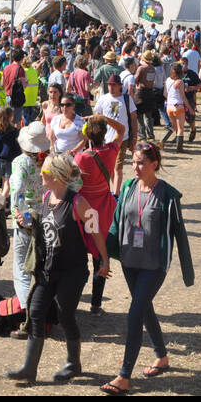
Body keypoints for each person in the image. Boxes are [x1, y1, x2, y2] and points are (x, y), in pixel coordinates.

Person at [5, 152, 110, 384]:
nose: (40, 171)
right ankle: (29, 369)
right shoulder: (45, 199)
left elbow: (96, 230)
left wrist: (104, 260)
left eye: (44, 171)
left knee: (65, 315)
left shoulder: (78, 202)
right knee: (35, 312)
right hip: (47, 269)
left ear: (57, 176)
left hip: (72, 271)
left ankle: (74, 364)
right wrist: (28, 221)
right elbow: (43, 227)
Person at [101, 141, 193, 394]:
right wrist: (105, 256)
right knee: (144, 307)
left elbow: (180, 235)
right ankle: (162, 356)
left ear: (155, 165)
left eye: (141, 162)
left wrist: (187, 270)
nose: (136, 167)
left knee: (135, 312)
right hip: (130, 262)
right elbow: (115, 223)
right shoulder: (129, 187)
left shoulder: (168, 195)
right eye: (133, 162)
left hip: (154, 265)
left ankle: (124, 376)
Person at [74, 115, 120, 315]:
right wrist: (105, 118)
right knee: (101, 255)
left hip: (85, 210)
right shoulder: (111, 151)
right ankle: (96, 303)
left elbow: (73, 182)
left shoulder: (82, 157)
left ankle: (73, 299)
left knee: (78, 256)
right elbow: (122, 130)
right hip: (104, 208)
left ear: (87, 135)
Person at [9, 122, 49, 317]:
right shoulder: (53, 160)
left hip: (27, 218)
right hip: (49, 217)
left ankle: (26, 311)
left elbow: (16, 191)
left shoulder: (20, 162)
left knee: (22, 266)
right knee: (45, 264)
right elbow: (76, 182)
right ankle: (46, 306)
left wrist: (18, 213)